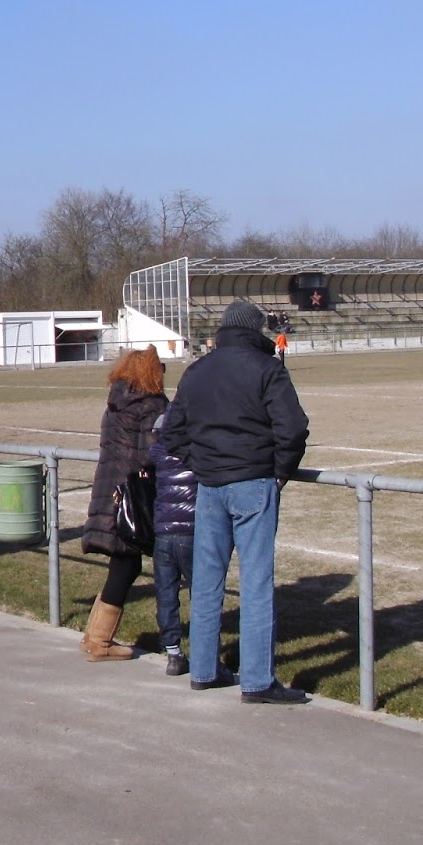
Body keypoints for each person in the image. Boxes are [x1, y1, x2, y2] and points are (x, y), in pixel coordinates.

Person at [159, 300, 309, 704]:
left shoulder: (198, 371)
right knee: (257, 583)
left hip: (211, 486)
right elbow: (293, 427)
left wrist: (203, 464)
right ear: (255, 329)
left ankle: (204, 671)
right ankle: (258, 681)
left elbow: (171, 432)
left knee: (206, 583)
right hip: (253, 481)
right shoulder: (266, 368)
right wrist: (280, 470)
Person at [78, 346, 169, 661]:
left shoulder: (116, 403)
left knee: (122, 561)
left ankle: (93, 636)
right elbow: (153, 451)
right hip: (130, 492)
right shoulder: (151, 405)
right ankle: (100, 641)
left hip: (109, 487)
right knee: (126, 562)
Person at [148, 419, 198, 675]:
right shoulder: (199, 451)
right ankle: (205, 653)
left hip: (164, 533)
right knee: (202, 594)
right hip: (192, 532)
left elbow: (152, 448)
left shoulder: (159, 452)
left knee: (166, 594)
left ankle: (173, 653)